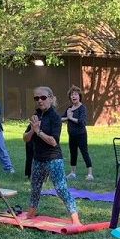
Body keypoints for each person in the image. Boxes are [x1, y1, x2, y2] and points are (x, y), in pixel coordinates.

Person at [22, 86, 81, 224]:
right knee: (35, 187)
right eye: (36, 98)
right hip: (38, 159)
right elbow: (25, 138)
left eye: (43, 97)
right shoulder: (36, 115)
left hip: (53, 159)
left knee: (61, 189)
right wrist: (32, 130)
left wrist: (38, 132)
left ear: (51, 98)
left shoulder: (55, 117)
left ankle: (75, 219)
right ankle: (31, 213)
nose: (39, 101)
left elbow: (53, 142)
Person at [63, 85, 94, 180]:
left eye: (76, 94)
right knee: (73, 153)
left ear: (79, 96)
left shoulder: (82, 108)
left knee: (84, 152)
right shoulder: (69, 108)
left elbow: (82, 122)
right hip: (71, 135)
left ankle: (90, 174)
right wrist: (67, 117)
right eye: (72, 95)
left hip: (81, 135)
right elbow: (61, 118)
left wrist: (71, 118)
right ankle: (72, 173)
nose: (74, 96)